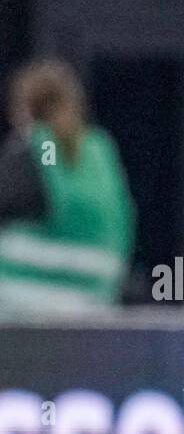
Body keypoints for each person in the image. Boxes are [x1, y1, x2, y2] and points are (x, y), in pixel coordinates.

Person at [0, 59, 134, 313]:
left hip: (29, 302)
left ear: (24, 107)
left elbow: (15, 196)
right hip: (97, 298)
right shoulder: (99, 148)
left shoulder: (38, 146)